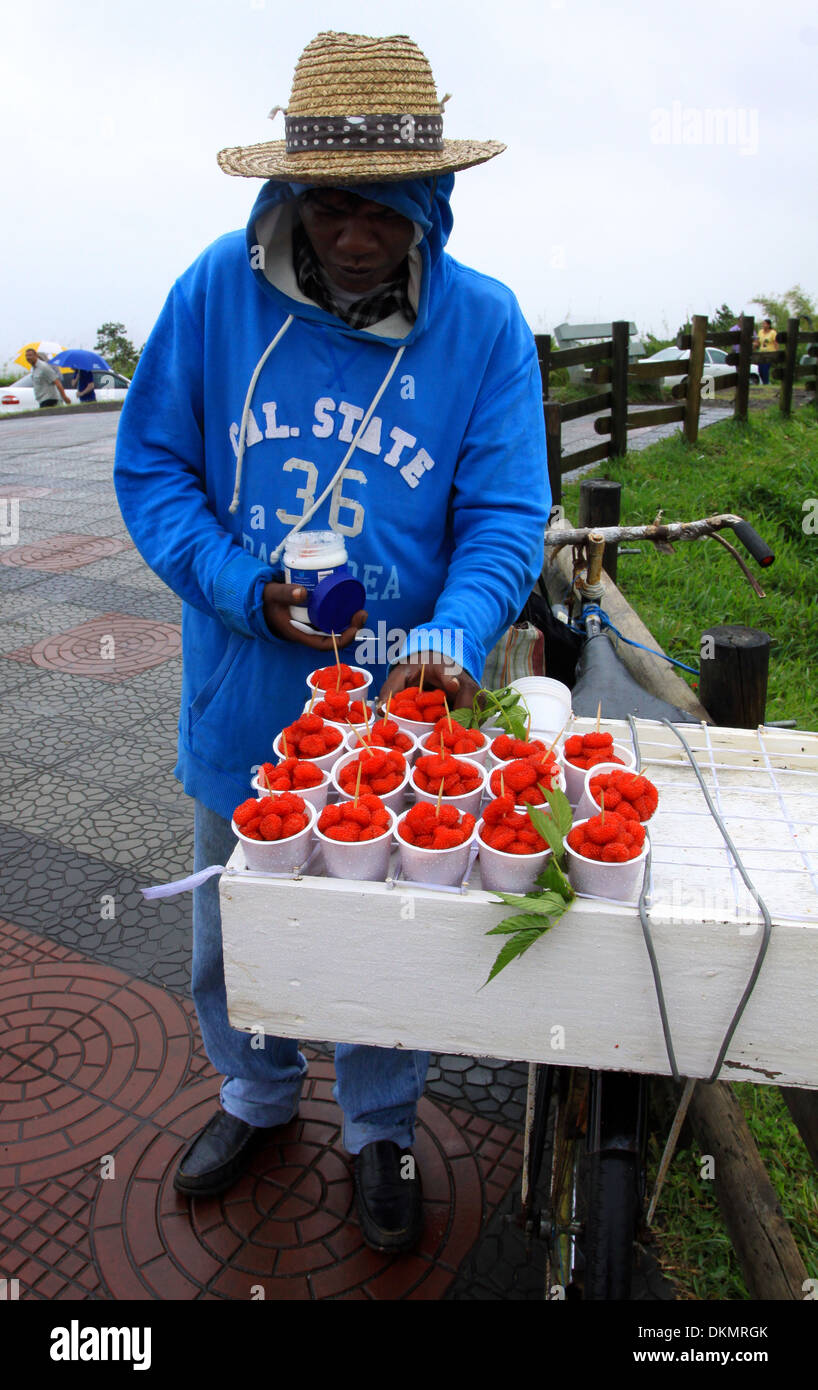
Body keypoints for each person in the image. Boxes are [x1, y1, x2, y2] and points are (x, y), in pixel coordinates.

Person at [114, 31, 549, 1254]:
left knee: (381, 929)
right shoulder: (213, 291)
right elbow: (150, 467)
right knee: (231, 925)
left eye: (386, 209)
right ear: (289, 193)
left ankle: (379, 1125)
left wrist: (457, 633)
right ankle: (254, 1093)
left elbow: (508, 510)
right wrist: (244, 588)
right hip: (247, 689)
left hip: (403, 710)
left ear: (435, 201)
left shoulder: (484, 327)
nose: (354, 235)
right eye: (330, 204)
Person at [757, 318, 776, 385]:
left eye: (764, 324)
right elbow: (758, 342)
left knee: (765, 369)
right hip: (761, 353)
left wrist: (776, 354)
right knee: (760, 369)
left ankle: (766, 382)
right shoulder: (760, 332)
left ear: (768, 325)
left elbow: (776, 343)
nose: (763, 325)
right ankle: (764, 382)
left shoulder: (773, 332)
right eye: (763, 324)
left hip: (769, 353)